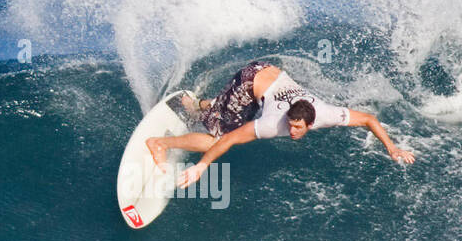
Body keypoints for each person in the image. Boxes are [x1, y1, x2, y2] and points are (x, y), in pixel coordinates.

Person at [145, 60, 414, 188]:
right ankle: (160, 143)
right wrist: (202, 166)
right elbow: (229, 141)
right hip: (251, 80)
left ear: (311, 123)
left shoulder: (326, 114)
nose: (294, 131)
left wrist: (392, 149)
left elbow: (368, 119)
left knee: (231, 109)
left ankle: (202, 105)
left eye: (299, 128)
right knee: (217, 135)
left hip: (269, 78)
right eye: (292, 126)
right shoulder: (274, 123)